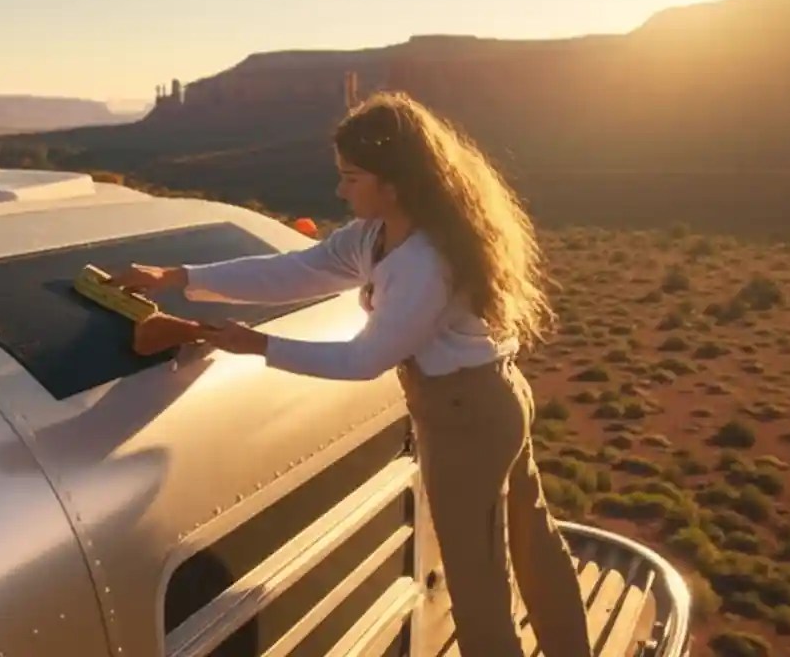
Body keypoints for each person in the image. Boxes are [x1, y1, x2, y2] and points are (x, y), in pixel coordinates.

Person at [109, 91, 591, 657]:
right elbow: (295, 270)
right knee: (532, 539)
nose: (340, 190)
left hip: (465, 420)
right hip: (491, 400)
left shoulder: (424, 263)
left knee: (477, 580)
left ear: (396, 181)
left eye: (352, 177)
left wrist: (258, 343)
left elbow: (364, 361)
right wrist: (177, 275)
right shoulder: (377, 236)